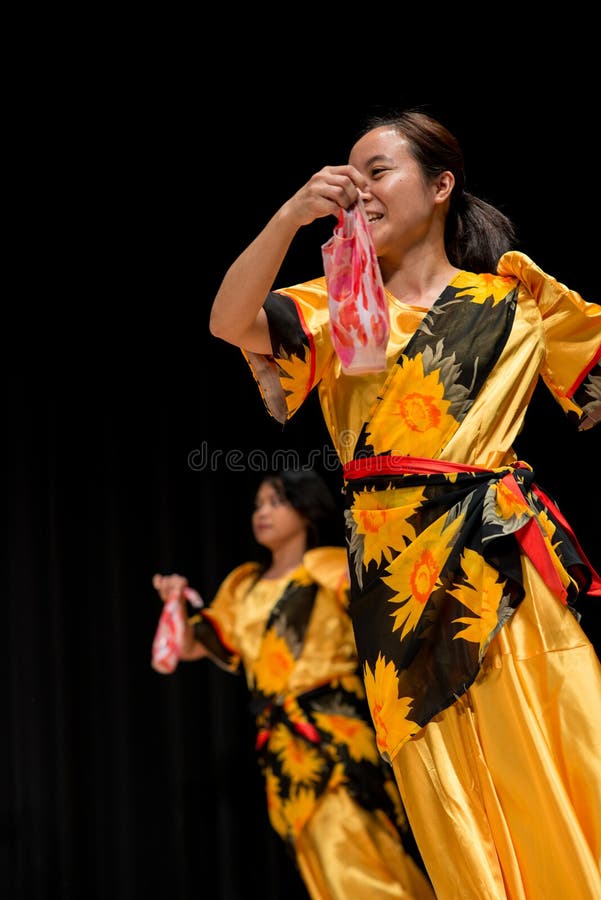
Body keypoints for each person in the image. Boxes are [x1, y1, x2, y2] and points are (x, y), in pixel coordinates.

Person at [208, 108, 601, 899]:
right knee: (444, 790)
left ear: (441, 184)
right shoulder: (335, 307)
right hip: (392, 584)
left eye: (377, 171)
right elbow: (228, 321)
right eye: (348, 178)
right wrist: (289, 216)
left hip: (497, 563)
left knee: (552, 758)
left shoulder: (517, 301)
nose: (358, 189)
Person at [152, 468, 434, 900]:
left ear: (306, 510)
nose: (261, 513)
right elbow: (193, 645)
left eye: (275, 502)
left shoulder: (331, 567)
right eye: (257, 505)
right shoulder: (243, 588)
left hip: (334, 735)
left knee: (354, 853)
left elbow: (389, 616)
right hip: (282, 746)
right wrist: (174, 601)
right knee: (321, 865)